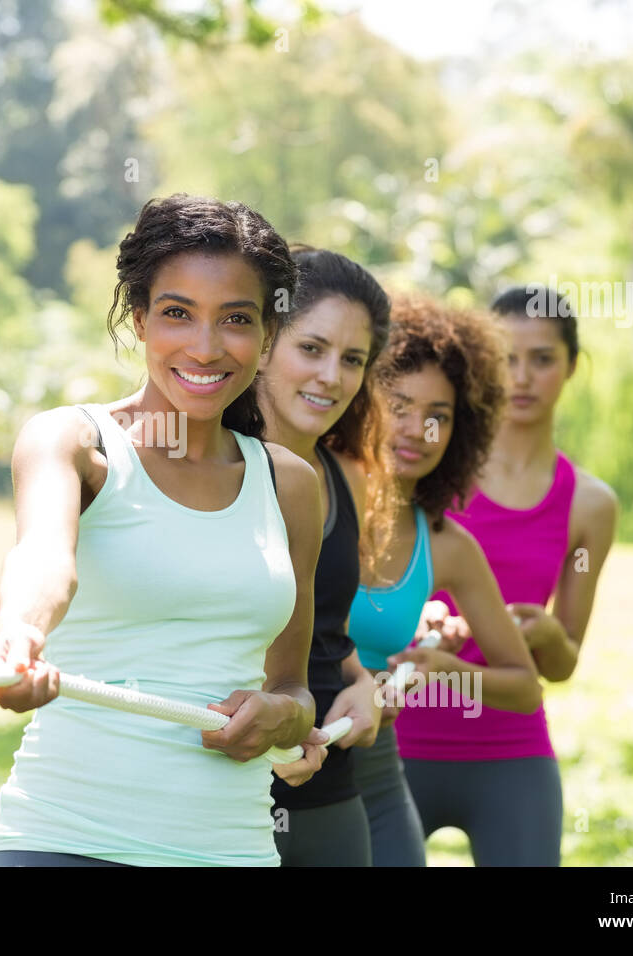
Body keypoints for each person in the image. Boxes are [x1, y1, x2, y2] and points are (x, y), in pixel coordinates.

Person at [0, 194, 324, 867]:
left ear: (265, 336)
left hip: (232, 850)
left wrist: (284, 717)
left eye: (235, 319)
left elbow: (293, 686)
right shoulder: (74, 441)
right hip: (62, 839)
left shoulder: (290, 485)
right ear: (139, 320)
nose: (204, 346)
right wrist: (21, 632)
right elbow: (45, 558)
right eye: (177, 314)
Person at [395, 285, 619, 866]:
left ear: (572, 366)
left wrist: (546, 634)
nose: (522, 376)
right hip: (396, 742)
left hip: (513, 751)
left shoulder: (590, 504)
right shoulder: (425, 467)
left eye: (542, 359)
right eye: (506, 358)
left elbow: (564, 665)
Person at [346, 293, 543, 866]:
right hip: (282, 776)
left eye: (440, 416)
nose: (418, 430)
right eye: (399, 404)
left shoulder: (448, 545)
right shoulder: (308, 497)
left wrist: (447, 670)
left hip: (378, 779)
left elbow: (524, 686)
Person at [255, 247, 393, 866]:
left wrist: (366, 687)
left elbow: (330, 635)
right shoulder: (200, 470)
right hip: (218, 791)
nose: (332, 376)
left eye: (352, 360)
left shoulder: (348, 479)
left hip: (333, 794)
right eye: (311, 348)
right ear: (262, 341)